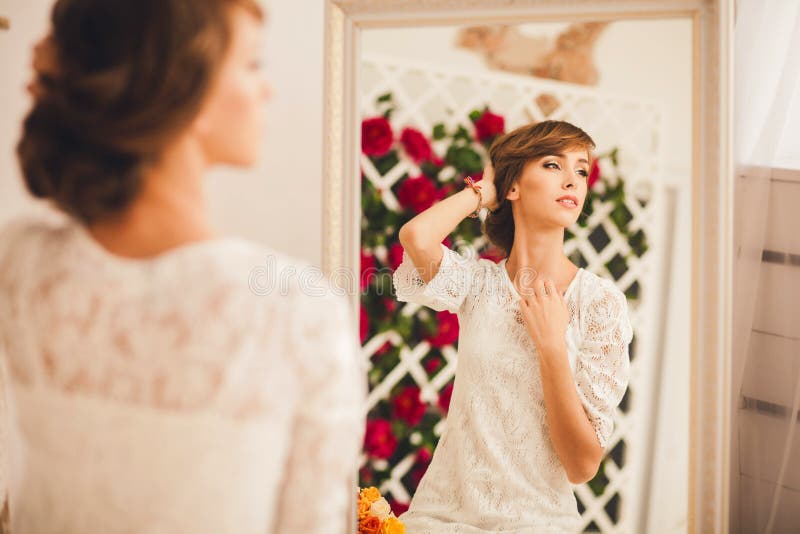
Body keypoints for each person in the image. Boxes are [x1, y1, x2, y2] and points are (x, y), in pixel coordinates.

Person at [0, 1, 365, 532]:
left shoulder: (21, 265)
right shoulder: (295, 310)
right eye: (252, 64)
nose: (268, 90)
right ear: (185, 90)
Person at [392, 120, 634, 532]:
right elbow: (417, 237)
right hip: (440, 517)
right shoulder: (476, 284)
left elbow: (582, 465)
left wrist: (552, 347)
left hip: (537, 524)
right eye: (554, 165)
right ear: (514, 187)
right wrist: (484, 192)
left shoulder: (599, 303)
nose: (573, 181)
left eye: (581, 170)